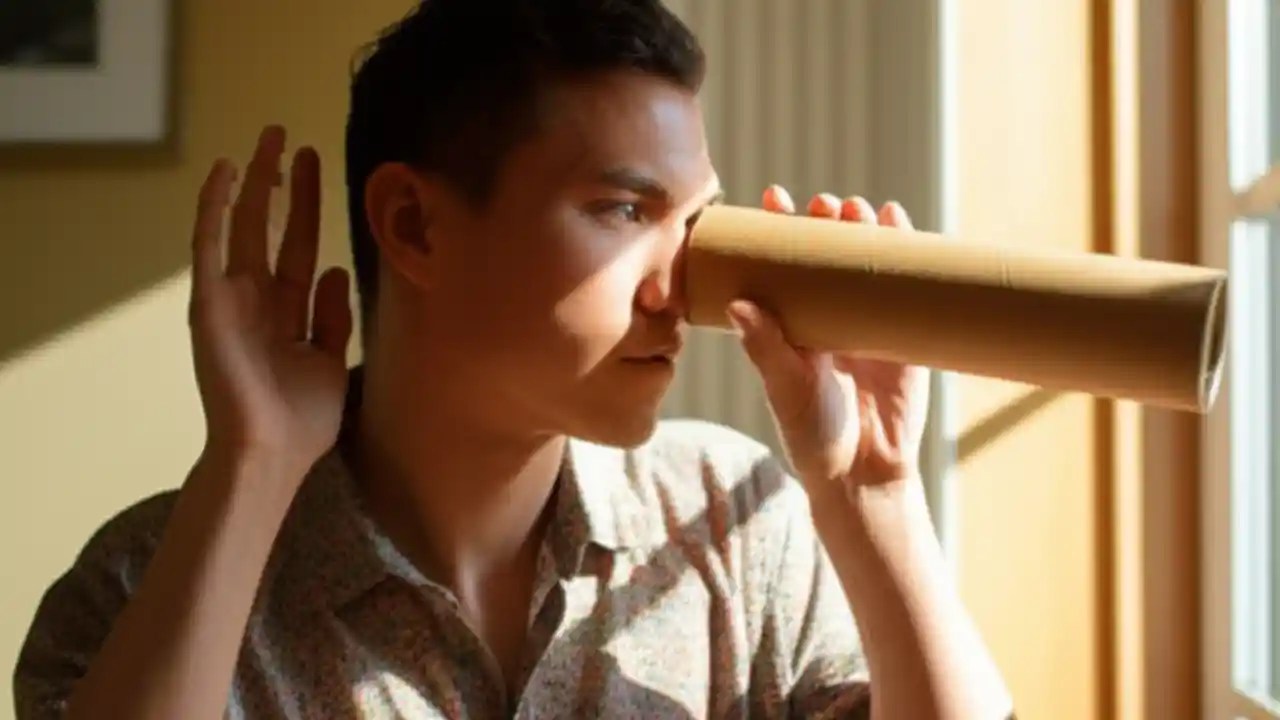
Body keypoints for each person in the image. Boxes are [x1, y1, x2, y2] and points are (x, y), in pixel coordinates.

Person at [14, 1, 1015, 718]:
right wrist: (254, 468)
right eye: (624, 210)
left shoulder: (734, 526)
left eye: (695, 221)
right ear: (413, 225)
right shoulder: (143, 586)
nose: (681, 285)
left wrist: (873, 492)